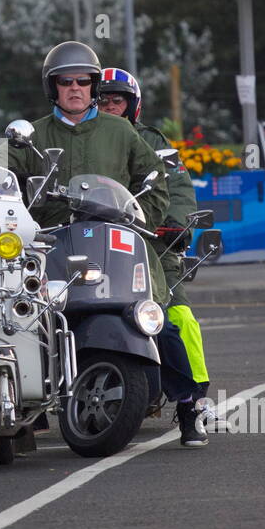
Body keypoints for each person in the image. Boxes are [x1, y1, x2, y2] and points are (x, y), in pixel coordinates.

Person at [0, 42, 204, 446]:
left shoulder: (121, 131)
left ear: (93, 86)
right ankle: (15, 415)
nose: (75, 88)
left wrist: (144, 220)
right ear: (52, 87)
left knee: (158, 318)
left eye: (84, 81)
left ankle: (188, 405)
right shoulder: (34, 134)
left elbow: (157, 182)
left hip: (116, 243)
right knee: (15, 320)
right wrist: (20, 219)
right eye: (65, 81)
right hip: (49, 246)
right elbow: (4, 183)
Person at [98, 67, 211, 445]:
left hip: (149, 244)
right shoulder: (86, 138)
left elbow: (177, 188)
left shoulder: (152, 142)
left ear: (132, 105)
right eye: (103, 100)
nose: (109, 106)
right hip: (91, 241)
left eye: (117, 100)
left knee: (176, 314)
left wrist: (176, 225)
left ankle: (190, 405)